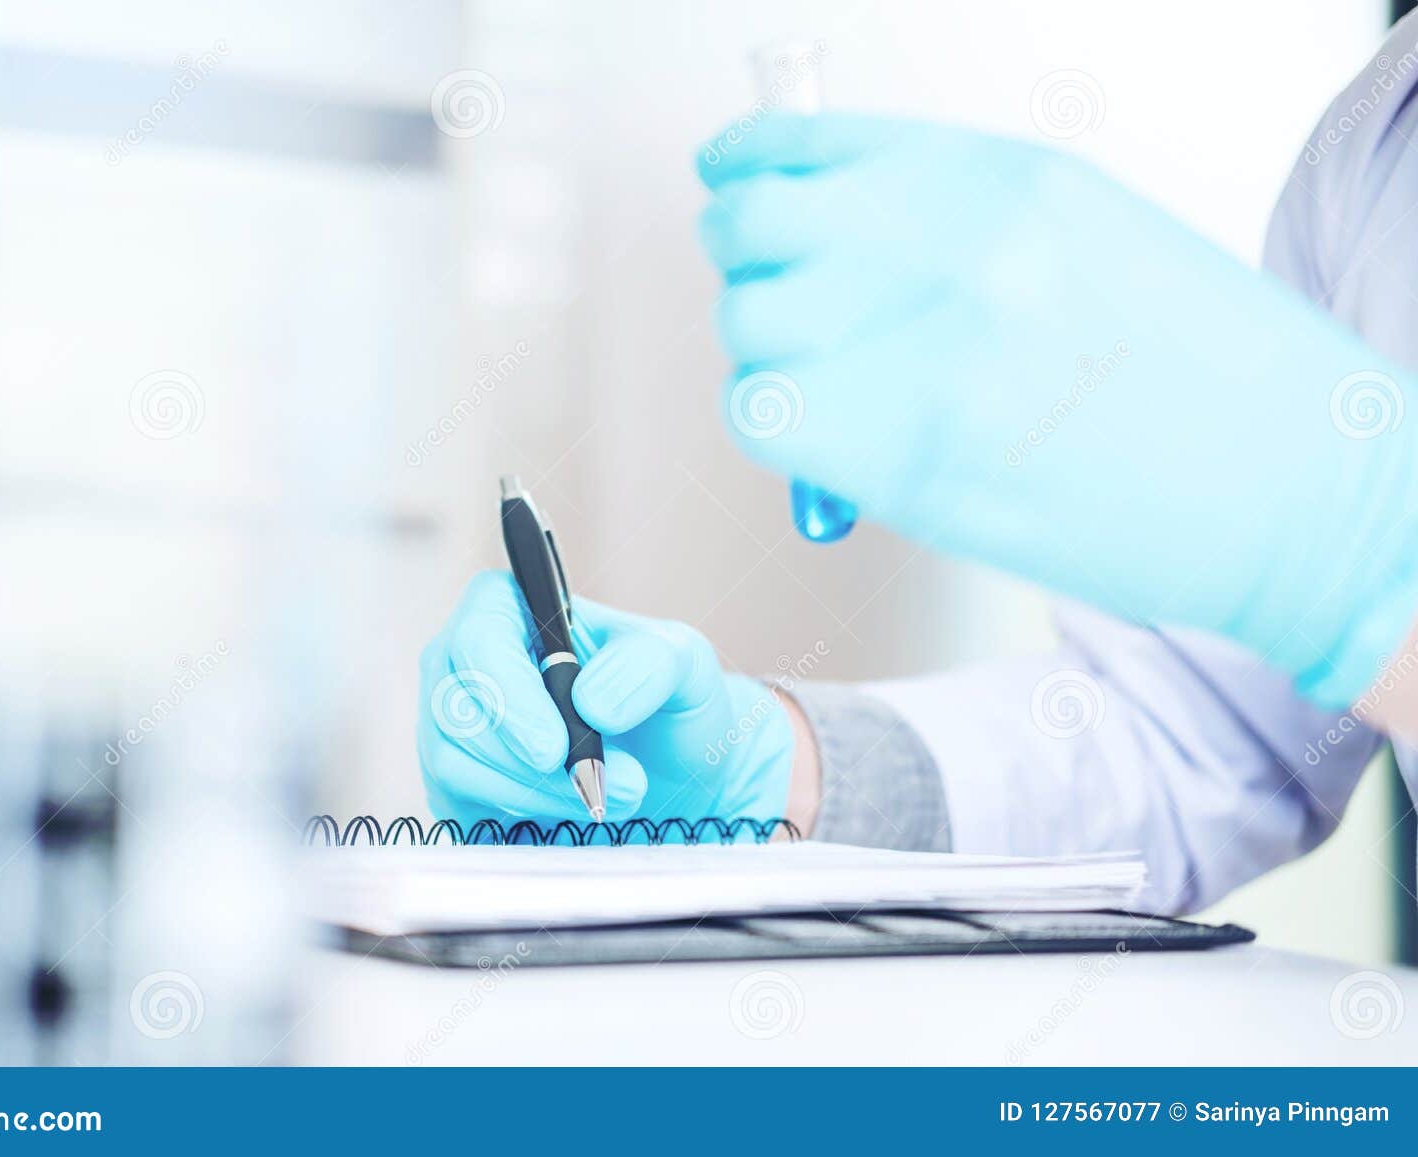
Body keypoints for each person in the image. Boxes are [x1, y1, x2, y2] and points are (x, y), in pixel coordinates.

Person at [419, 17, 1418, 912]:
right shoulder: (1381, 139)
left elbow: (1347, 591)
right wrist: (766, 767)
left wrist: (1379, 566)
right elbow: (1204, 740)